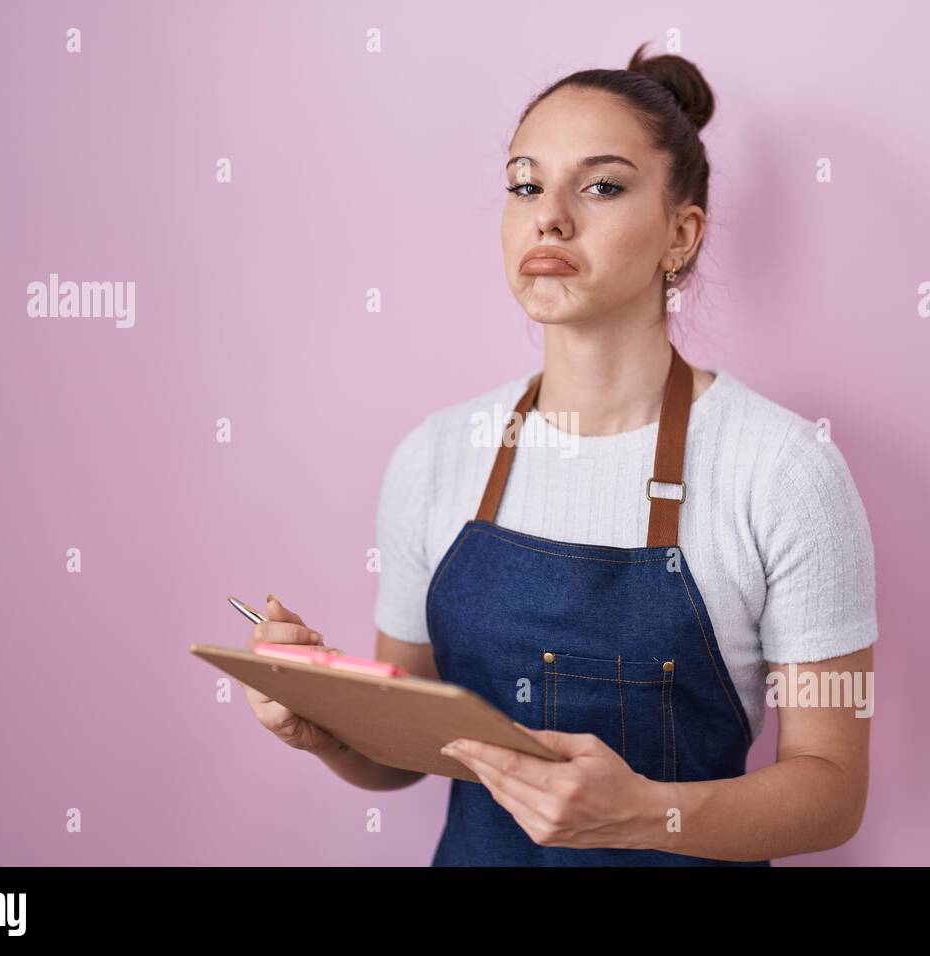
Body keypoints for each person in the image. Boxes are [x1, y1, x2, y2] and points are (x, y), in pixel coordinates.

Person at [243, 42, 878, 866]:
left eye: (603, 186)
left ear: (681, 234)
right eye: (525, 184)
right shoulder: (435, 456)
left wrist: (646, 816)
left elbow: (831, 789)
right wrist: (322, 723)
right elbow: (405, 754)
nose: (549, 215)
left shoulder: (784, 470)